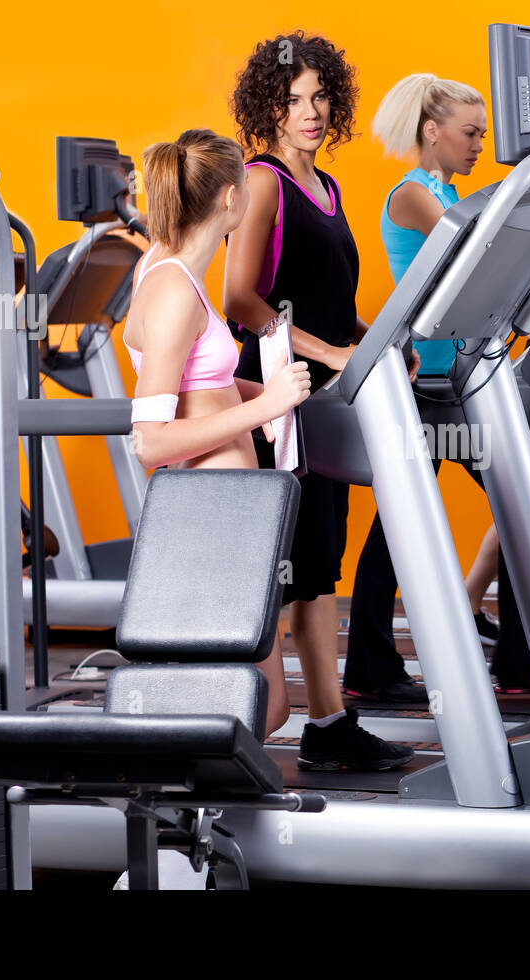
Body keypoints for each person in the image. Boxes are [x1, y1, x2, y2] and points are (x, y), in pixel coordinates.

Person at [222, 32, 414, 770]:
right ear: (267, 107)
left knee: (318, 565)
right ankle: (265, 716)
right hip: (275, 389)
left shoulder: (328, 188)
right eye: (292, 99)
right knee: (289, 563)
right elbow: (240, 297)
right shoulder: (262, 180)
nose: (308, 111)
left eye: (319, 97)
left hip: (321, 392)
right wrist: (328, 351)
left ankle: (328, 726)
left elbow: (332, 301)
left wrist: (365, 342)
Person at [344, 72, 530, 699]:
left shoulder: (446, 191)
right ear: (433, 131)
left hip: (454, 372)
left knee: (405, 520)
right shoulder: (412, 195)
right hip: (433, 380)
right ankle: (513, 658)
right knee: (516, 501)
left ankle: (377, 663)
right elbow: (478, 252)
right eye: (470, 132)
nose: (479, 144)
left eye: (482, 133)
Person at [122, 128, 311, 738]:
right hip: (217, 510)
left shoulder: (169, 266)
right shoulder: (174, 288)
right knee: (260, 705)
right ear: (231, 200)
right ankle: (195, 824)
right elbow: (150, 440)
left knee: (259, 701)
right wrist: (264, 408)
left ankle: (198, 822)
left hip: (229, 504)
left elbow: (198, 391)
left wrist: (267, 395)